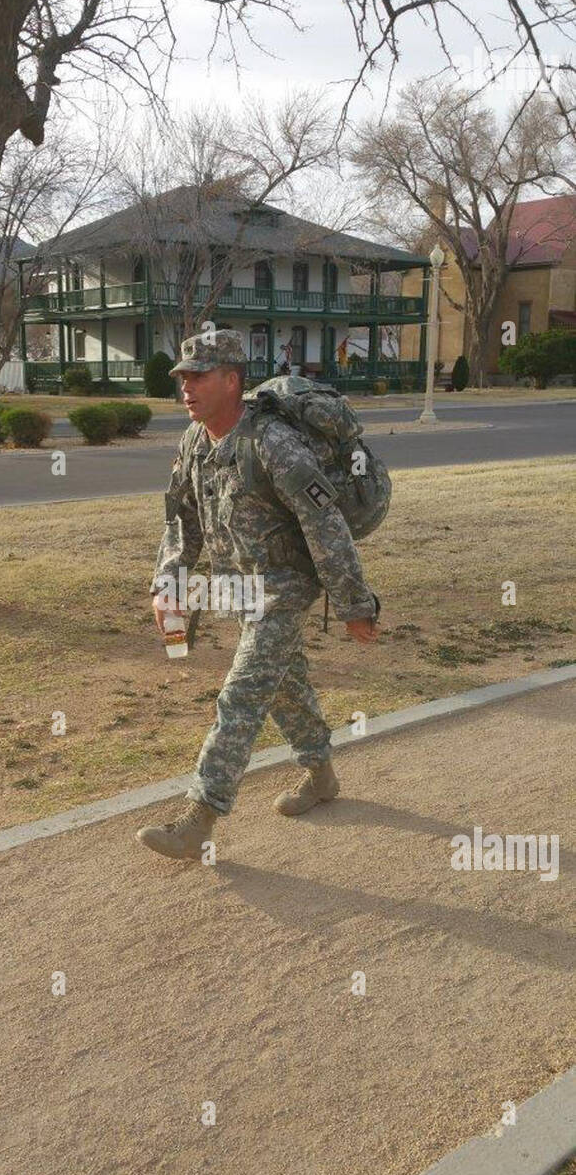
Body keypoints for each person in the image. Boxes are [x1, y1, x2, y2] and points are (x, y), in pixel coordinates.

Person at [136, 330, 379, 862]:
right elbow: (181, 521)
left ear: (231, 380)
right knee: (285, 685)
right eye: (183, 377)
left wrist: (356, 607)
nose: (186, 387)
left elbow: (326, 526)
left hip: (287, 587)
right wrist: (168, 583)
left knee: (242, 693)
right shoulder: (195, 442)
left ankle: (198, 818)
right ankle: (321, 774)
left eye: (198, 376)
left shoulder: (274, 443)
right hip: (242, 586)